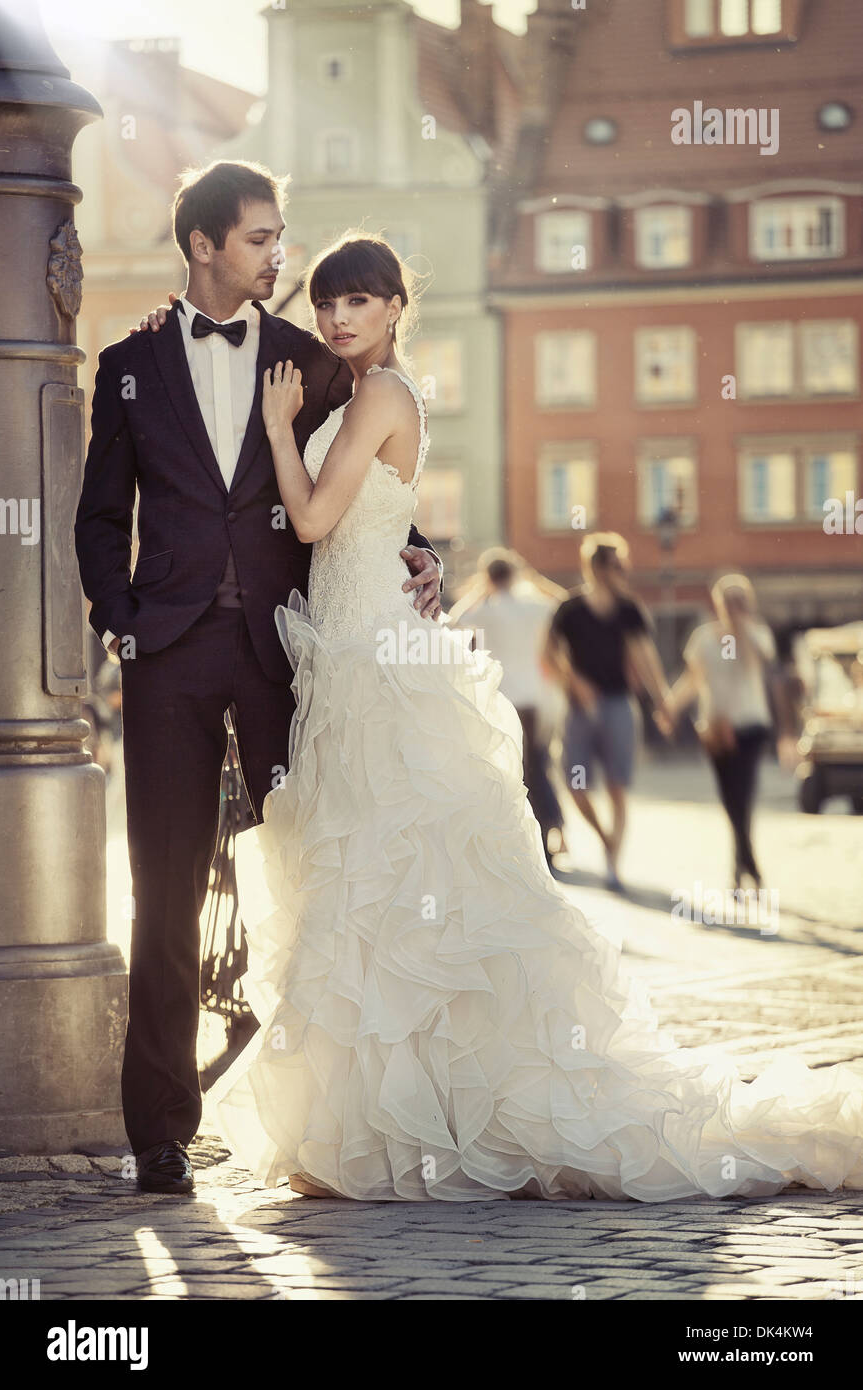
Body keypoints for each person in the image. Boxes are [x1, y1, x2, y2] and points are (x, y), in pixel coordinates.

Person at [202, 233, 863, 1202]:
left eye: (358, 301)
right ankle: (384, 1120)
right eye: (326, 301)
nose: (337, 317)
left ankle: (417, 1122)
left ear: (394, 307)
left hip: (373, 661)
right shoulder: (364, 392)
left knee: (398, 877)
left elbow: (309, 522)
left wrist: (272, 429)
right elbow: (361, 524)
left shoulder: (379, 393)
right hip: (351, 652)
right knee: (379, 883)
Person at [74, 162, 444, 1197]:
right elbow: (100, 517)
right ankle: (160, 1126)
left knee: (323, 872)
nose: (278, 256)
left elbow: (354, 478)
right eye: (257, 239)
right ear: (202, 246)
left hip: (292, 658)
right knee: (163, 887)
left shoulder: (309, 359)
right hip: (170, 657)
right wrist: (122, 625)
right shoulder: (132, 363)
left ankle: (353, 1109)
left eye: (281, 237)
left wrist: (418, 547)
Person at [543, 534, 670, 891]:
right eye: (618, 565)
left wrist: (663, 702)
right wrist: (574, 681)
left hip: (618, 706)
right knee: (576, 784)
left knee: (617, 786)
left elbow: (646, 658)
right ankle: (606, 840)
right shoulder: (569, 609)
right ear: (596, 567)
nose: (624, 572)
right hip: (579, 710)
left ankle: (613, 865)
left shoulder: (628, 609)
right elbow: (547, 654)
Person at [450, 549, 567, 864]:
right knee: (538, 765)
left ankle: (529, 838)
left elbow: (453, 621)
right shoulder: (534, 606)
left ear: (489, 578)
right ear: (515, 576)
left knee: (513, 772)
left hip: (505, 699)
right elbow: (564, 603)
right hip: (537, 699)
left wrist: (478, 590)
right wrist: (535, 580)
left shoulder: (487, 610)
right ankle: (551, 830)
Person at [661, 575, 776, 890]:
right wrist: (670, 707)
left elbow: (760, 662)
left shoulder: (757, 634)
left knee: (743, 793)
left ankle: (743, 867)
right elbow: (692, 679)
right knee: (729, 798)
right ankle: (747, 863)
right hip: (714, 728)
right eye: (728, 600)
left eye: (739, 600)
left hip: (750, 726)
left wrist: (740, 627)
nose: (733, 606)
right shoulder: (703, 639)